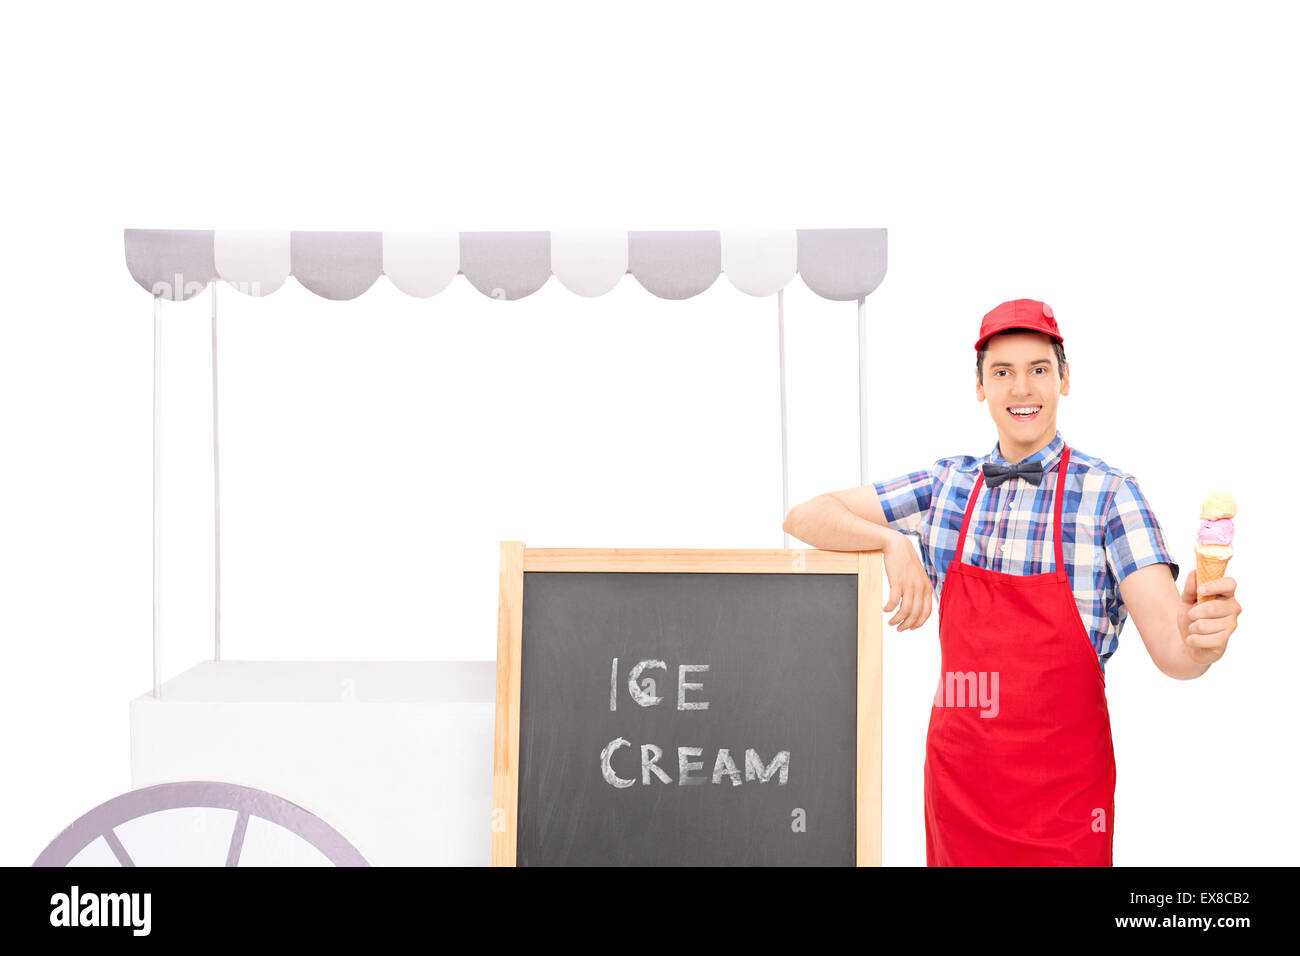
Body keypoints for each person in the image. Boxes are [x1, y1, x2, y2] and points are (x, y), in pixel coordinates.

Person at [782, 298, 1242, 866]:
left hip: (1066, 806)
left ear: (1064, 379)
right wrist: (891, 542)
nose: (1021, 388)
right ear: (980, 386)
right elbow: (804, 515)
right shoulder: (946, 486)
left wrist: (1203, 640)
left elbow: (1175, 652)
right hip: (960, 793)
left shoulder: (1110, 497)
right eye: (1003, 372)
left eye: (1038, 369)